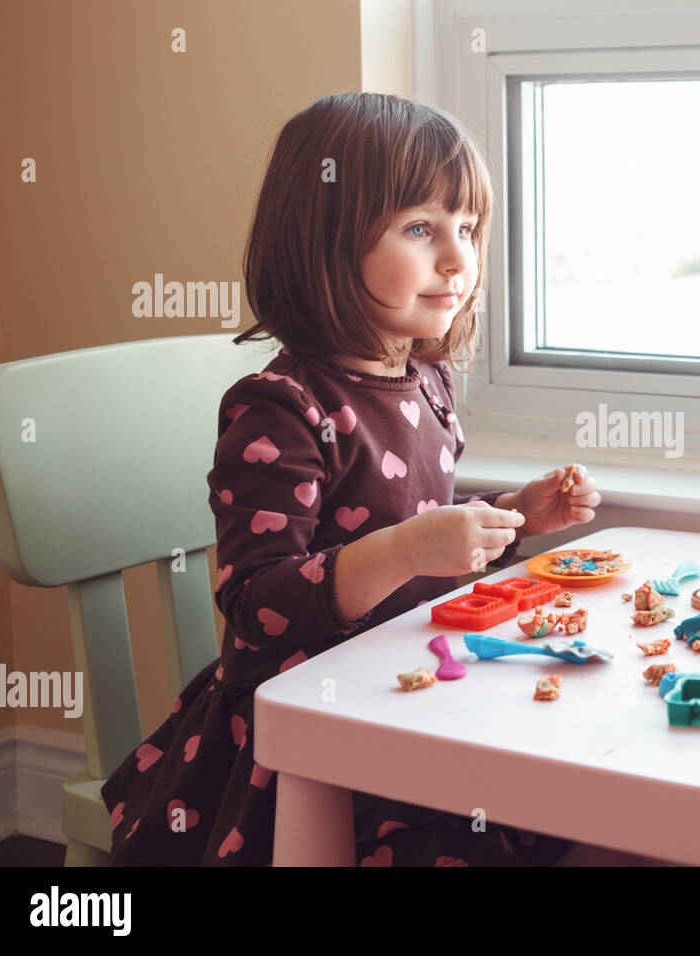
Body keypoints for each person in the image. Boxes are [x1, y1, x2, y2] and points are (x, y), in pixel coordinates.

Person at [100, 92, 635, 866]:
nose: (458, 259)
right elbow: (257, 605)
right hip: (310, 734)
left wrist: (512, 514)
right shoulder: (278, 409)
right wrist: (410, 550)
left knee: (577, 793)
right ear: (325, 243)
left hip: (410, 688)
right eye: (421, 229)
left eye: (468, 229)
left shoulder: (427, 380)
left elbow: (407, 517)